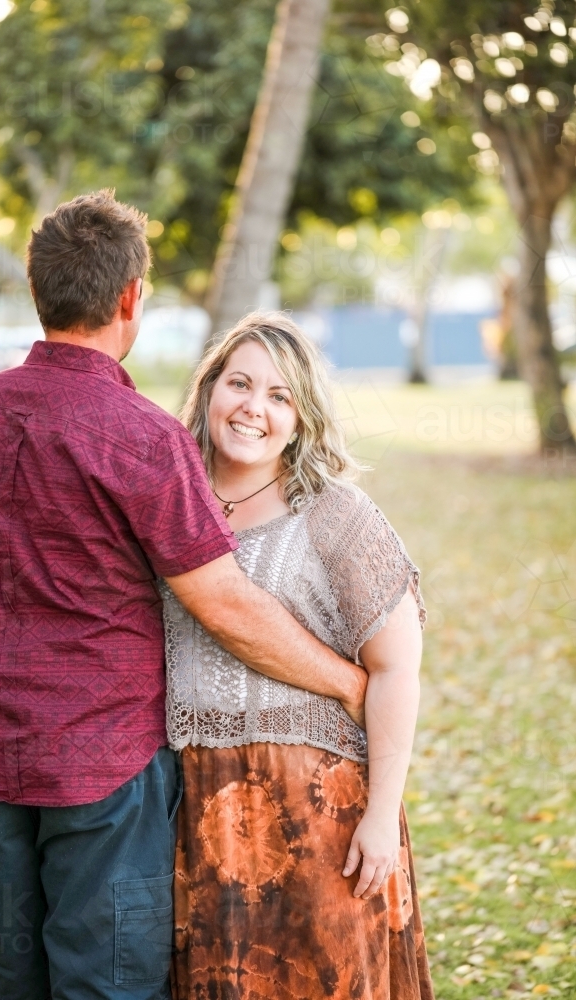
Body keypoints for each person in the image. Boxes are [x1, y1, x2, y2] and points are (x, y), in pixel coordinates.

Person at [0, 191, 368, 1000]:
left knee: (6, 981)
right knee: (109, 984)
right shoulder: (141, 433)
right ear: (131, 297)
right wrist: (348, 682)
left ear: (39, 289)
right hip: (106, 767)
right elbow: (223, 601)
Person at [163, 313, 434, 999]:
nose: (253, 408)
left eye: (279, 396)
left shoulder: (335, 515)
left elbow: (398, 667)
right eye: (240, 384)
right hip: (195, 804)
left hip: (322, 809)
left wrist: (379, 819)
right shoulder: (169, 504)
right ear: (208, 391)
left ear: (301, 415)